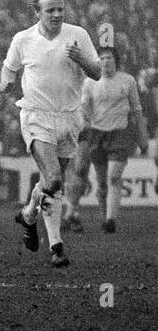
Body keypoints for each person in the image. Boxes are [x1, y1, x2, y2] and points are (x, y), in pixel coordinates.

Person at [0, 0, 100, 268]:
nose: (56, 15)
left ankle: (29, 214)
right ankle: (57, 246)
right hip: (36, 115)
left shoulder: (78, 34)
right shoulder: (23, 39)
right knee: (55, 179)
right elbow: (9, 67)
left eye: (60, 9)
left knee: (48, 183)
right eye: (50, 10)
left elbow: (95, 72)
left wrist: (81, 58)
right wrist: (4, 82)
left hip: (69, 117)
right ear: (37, 12)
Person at [63, 47, 143, 233]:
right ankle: (74, 213)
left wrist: (142, 135)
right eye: (102, 58)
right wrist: (81, 122)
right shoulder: (90, 83)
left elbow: (136, 109)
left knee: (111, 177)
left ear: (116, 61)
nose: (105, 61)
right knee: (89, 173)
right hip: (95, 133)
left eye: (109, 58)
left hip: (119, 134)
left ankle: (108, 219)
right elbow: (84, 107)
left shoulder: (127, 80)